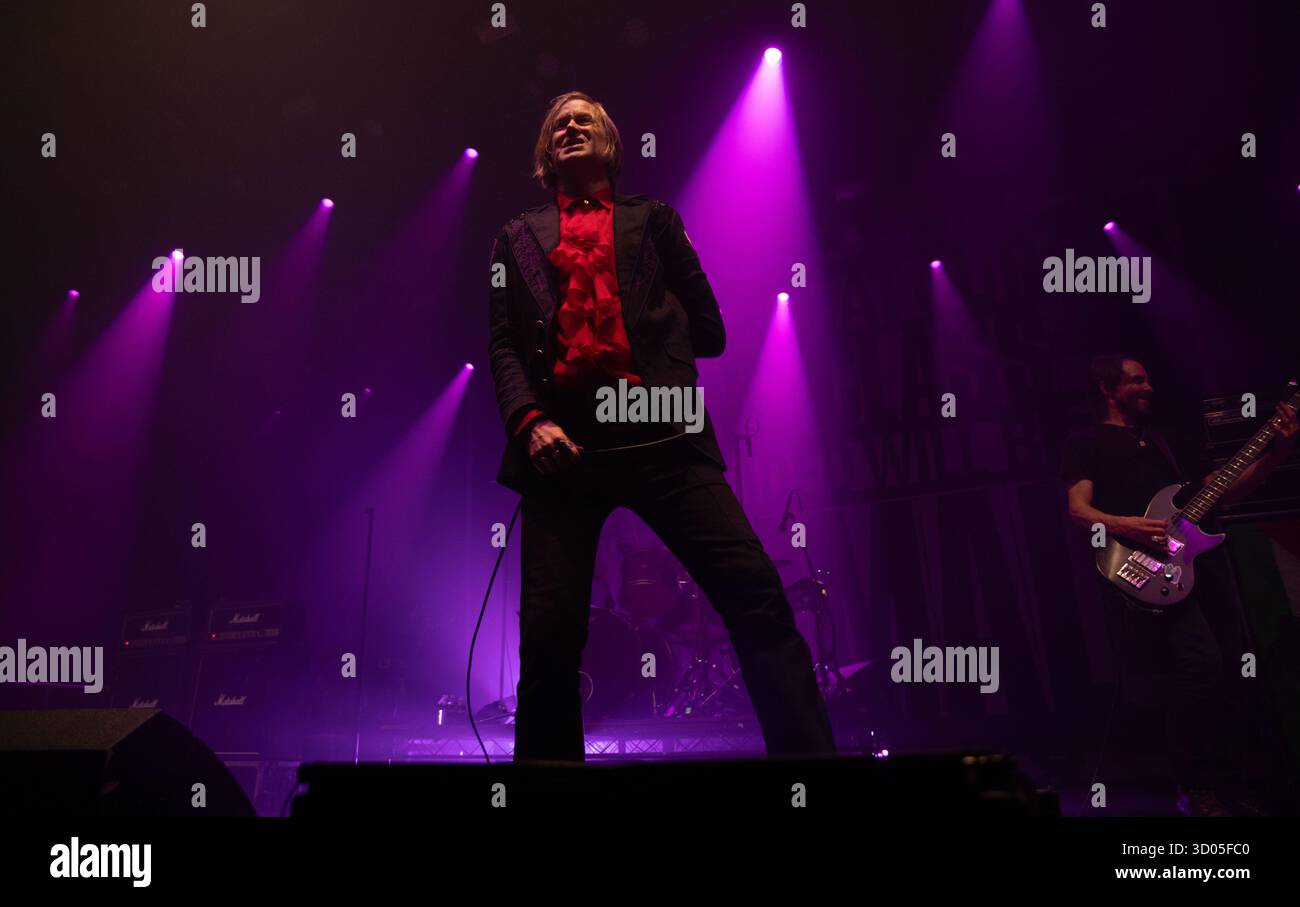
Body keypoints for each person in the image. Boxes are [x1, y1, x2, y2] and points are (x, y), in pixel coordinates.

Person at [486, 91, 836, 761]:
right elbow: (502, 343)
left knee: (754, 591)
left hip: (658, 425)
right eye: (557, 121)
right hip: (561, 438)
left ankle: (813, 776)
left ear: (611, 145)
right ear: (545, 153)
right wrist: (528, 420)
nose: (570, 125)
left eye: (584, 117)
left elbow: (711, 330)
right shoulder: (516, 237)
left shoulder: (653, 222)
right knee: (550, 633)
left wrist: (654, 342)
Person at [1061, 354, 1297, 815]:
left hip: (1199, 565)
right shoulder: (1085, 442)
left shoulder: (1167, 440)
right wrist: (1125, 525)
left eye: (1149, 379)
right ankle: (1194, 785)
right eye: (1137, 381)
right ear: (1109, 390)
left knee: (1228, 669)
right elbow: (1078, 511)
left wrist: (1281, 449)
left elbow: (1225, 487)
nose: (1149, 387)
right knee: (1200, 666)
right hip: (1145, 569)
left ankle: (1228, 786)